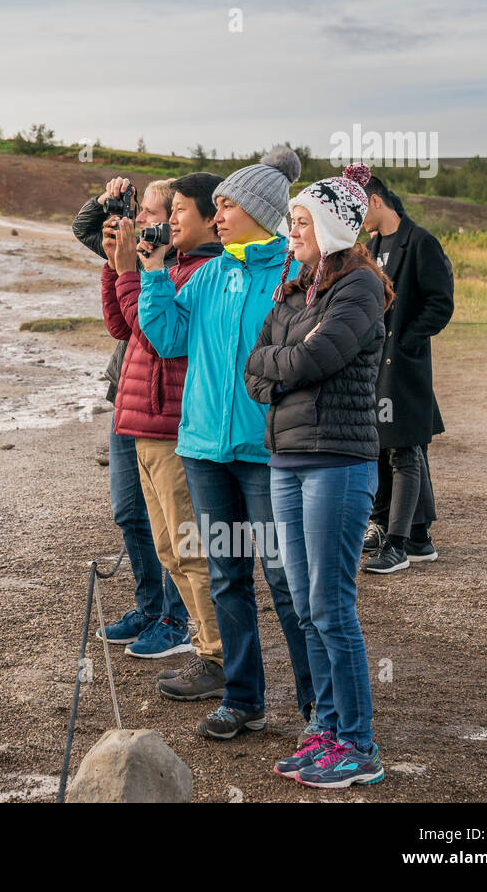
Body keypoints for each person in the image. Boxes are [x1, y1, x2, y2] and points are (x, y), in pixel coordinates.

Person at [138, 147, 315, 740]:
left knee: (286, 578)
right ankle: (243, 700)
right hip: (204, 450)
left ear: (262, 212)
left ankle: (321, 709)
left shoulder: (291, 275)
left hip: (265, 453)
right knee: (226, 576)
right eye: (215, 207)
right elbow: (165, 337)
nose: (217, 216)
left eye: (227, 205)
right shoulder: (212, 272)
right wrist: (155, 272)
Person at [245, 162, 392, 788]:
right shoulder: (298, 284)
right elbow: (255, 369)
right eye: (291, 222)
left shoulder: (359, 288)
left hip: (338, 461)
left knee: (332, 606)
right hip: (288, 460)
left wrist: (282, 364)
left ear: (332, 226)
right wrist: (284, 364)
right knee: (305, 607)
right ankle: (328, 729)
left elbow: (316, 356)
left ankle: (358, 744)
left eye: (301, 222)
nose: (292, 232)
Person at [107, 173, 225, 667]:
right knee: (172, 550)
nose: (170, 220)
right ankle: (203, 645)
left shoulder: (205, 272)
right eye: (167, 210)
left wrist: (134, 271)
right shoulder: (173, 266)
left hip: (174, 424)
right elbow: (122, 324)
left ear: (210, 218)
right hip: (147, 421)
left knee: (190, 550)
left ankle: (217, 656)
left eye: (177, 210)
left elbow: (157, 337)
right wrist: (119, 266)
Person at [75, 178, 191, 656]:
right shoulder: (140, 252)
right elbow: (85, 229)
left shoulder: (176, 265)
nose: (138, 220)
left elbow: (148, 330)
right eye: (137, 210)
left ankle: (175, 618)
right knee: (129, 511)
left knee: (170, 522)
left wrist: (130, 269)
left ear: (175, 220)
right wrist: (106, 204)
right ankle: (148, 609)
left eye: (148, 212)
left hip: (163, 406)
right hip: (129, 396)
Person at [360, 176, 454, 574]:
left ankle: (397, 545)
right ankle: (416, 537)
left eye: (360, 208)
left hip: (404, 366)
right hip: (374, 365)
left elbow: (440, 301)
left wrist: (408, 341)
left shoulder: (421, 242)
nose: (355, 218)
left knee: (404, 448)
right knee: (386, 444)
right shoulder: (371, 247)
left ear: (377, 201)